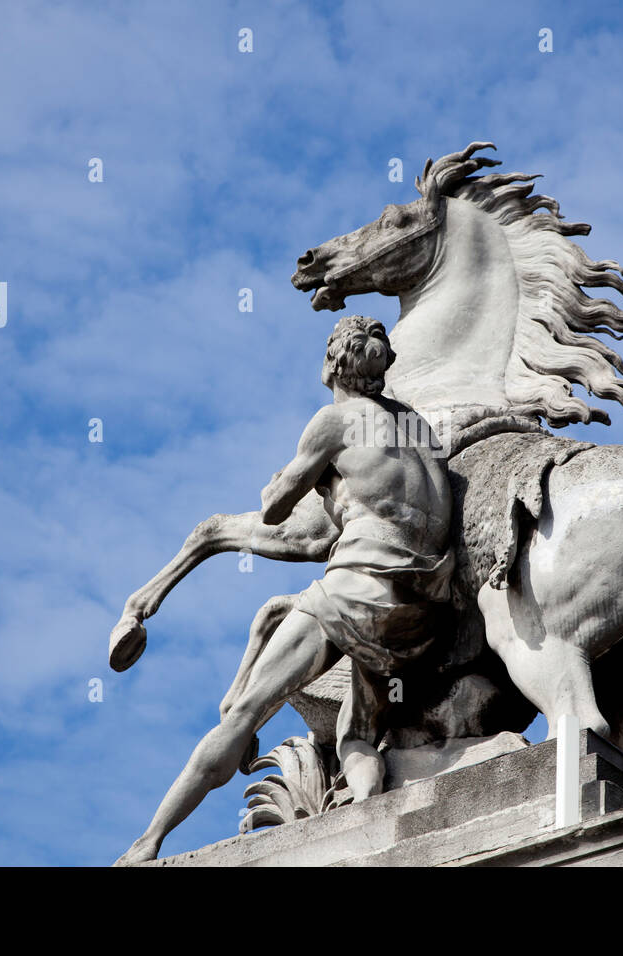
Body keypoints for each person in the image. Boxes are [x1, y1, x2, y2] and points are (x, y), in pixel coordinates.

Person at [114, 315, 453, 865]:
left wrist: (291, 477)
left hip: (355, 589)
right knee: (357, 739)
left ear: (332, 363)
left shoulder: (334, 421)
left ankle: (147, 842)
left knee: (245, 712)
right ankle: (370, 831)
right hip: (420, 613)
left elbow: (275, 509)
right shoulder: (419, 431)